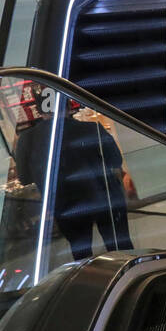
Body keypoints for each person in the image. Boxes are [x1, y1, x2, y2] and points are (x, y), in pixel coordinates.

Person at [14, 93, 134, 260]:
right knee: (120, 247)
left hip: (64, 204)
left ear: (39, 112)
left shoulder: (27, 140)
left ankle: (89, 282)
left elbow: (25, 178)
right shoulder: (91, 129)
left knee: (81, 253)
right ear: (69, 107)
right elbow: (115, 160)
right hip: (104, 196)